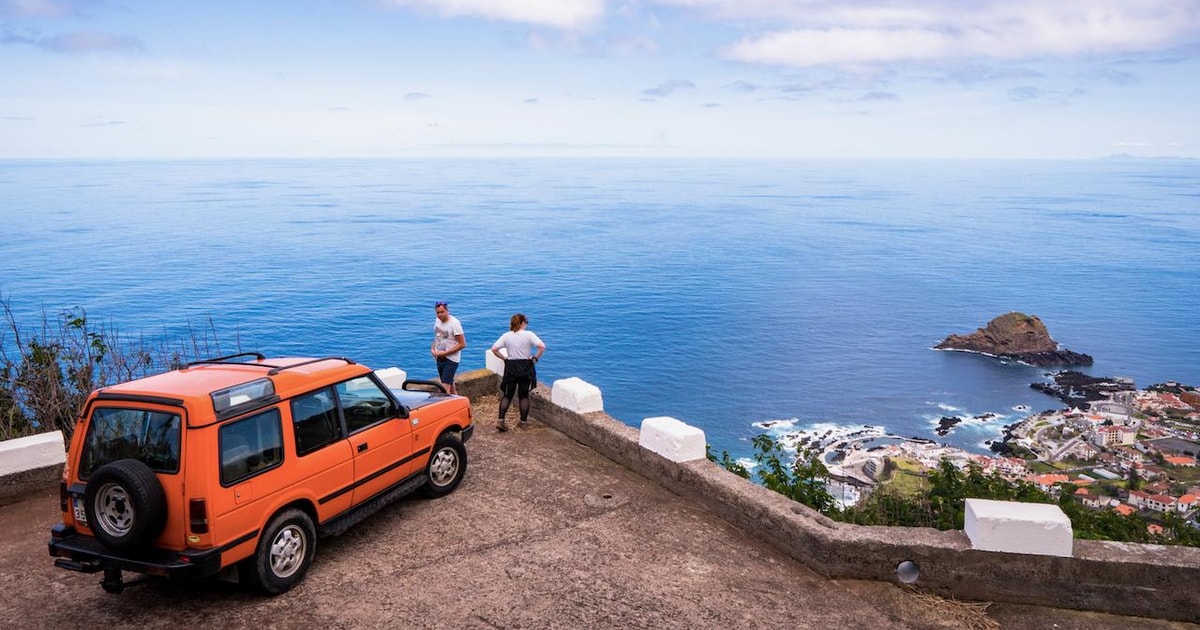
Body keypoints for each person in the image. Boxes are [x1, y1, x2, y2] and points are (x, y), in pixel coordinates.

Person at [490, 313, 545, 431]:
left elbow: (494, 349)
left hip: (511, 367)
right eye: (526, 322)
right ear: (522, 323)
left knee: (507, 395)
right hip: (525, 366)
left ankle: (500, 421)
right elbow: (542, 347)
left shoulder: (506, 336)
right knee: (523, 396)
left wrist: (504, 358)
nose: (527, 324)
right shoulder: (529, 335)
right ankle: (523, 422)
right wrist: (535, 358)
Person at [431, 301, 466, 395]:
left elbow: (462, 344)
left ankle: (446, 404)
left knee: (444, 389)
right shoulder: (437, 321)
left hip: (451, 360)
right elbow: (438, 336)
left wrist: (445, 353)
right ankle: (459, 403)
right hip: (440, 357)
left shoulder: (454, 323)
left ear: (447, 311)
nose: (440, 315)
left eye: (442, 312)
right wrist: (433, 348)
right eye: (438, 312)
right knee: (450, 387)